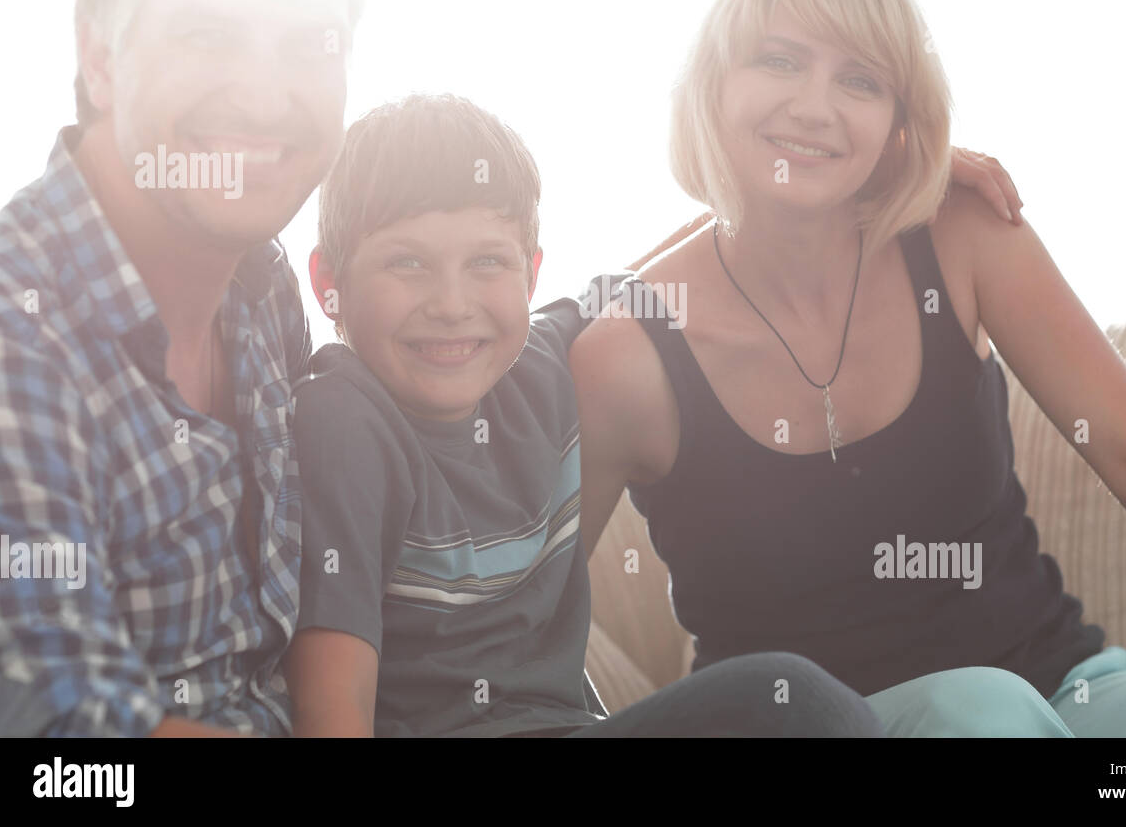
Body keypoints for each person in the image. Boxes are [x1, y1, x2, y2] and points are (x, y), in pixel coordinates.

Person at [570, 0, 1126, 737]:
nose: (815, 105)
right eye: (778, 61)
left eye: (861, 80)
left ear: (900, 124)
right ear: (710, 87)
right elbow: (528, 626)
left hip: (1071, 699)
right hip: (841, 727)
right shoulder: (624, 353)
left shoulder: (962, 233)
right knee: (980, 708)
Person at [280, 92, 893, 737]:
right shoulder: (343, 423)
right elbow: (331, 703)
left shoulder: (549, 361)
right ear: (329, 283)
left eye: (487, 261)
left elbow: (685, 265)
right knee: (790, 702)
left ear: (531, 275)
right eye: (407, 262)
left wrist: (883, 187)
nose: (451, 303)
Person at [0, 0, 361, 735]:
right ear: (101, 59)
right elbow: (62, 736)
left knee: (743, 699)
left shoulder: (264, 287)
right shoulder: (8, 332)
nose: (266, 97)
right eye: (207, 35)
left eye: (311, 46)